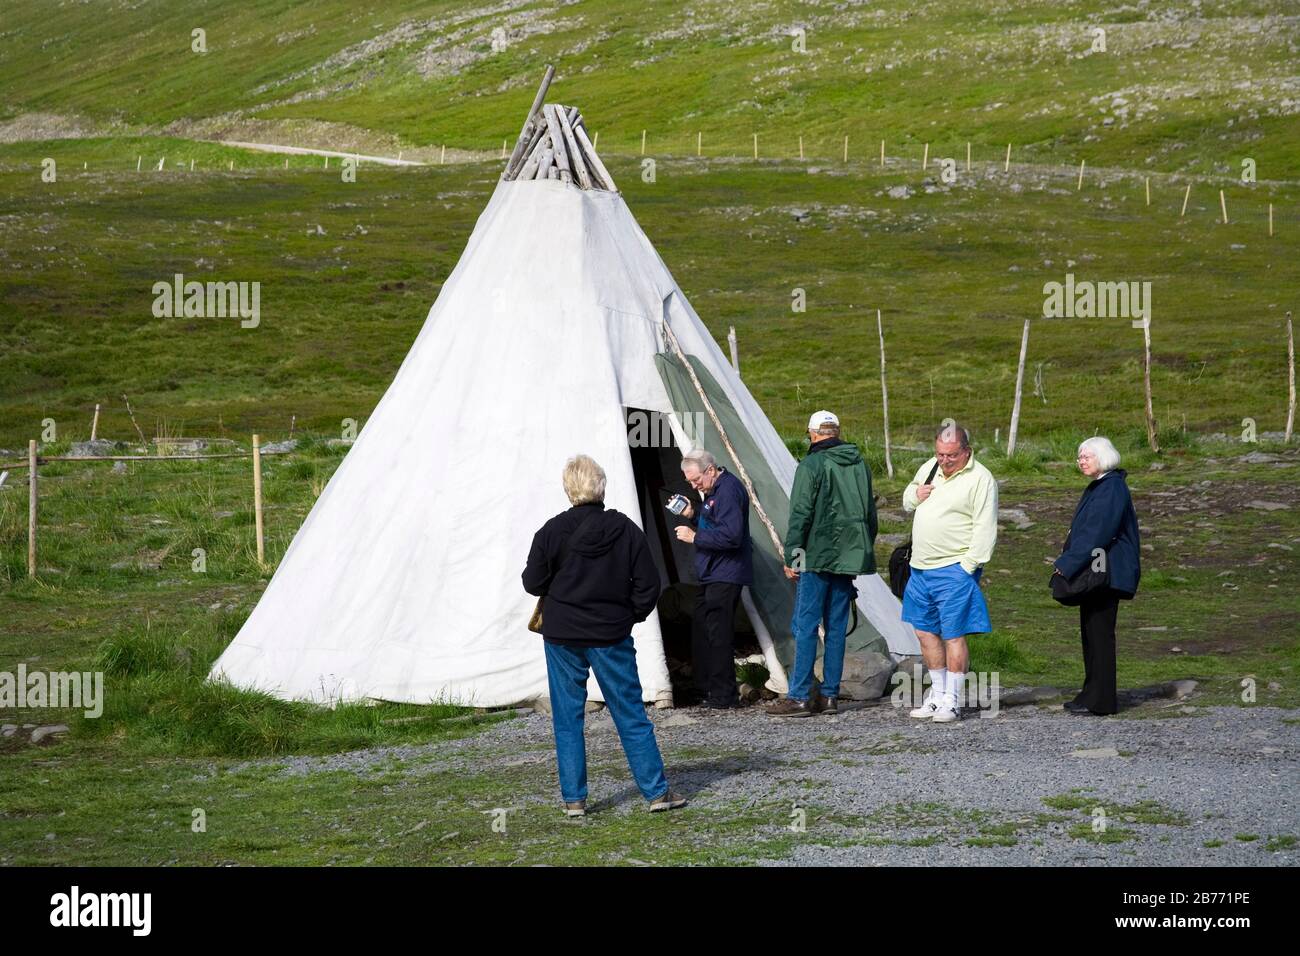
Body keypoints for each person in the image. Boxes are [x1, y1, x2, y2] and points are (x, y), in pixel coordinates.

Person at [522, 454, 686, 817]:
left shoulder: (550, 532)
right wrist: (627, 617)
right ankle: (657, 793)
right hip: (610, 635)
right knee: (629, 714)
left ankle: (574, 800)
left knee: (567, 718)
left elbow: (531, 582)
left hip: (562, 636)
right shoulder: (626, 530)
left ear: (568, 490)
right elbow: (648, 585)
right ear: (602, 487)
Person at [768, 410, 878, 718]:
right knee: (836, 628)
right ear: (837, 432)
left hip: (815, 557)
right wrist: (858, 551)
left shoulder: (812, 464)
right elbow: (870, 514)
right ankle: (830, 696)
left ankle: (800, 696)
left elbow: (801, 513)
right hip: (847, 558)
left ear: (813, 433)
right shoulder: (859, 464)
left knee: (805, 625)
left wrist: (793, 557)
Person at [901, 421, 998, 723]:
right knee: (924, 630)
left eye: (951, 456)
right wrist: (917, 493)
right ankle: (938, 694)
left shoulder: (981, 479)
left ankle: (953, 701)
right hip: (920, 567)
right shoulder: (930, 467)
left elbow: (985, 527)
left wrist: (967, 567)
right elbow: (906, 501)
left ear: (966, 452)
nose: (944, 461)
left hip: (954, 568)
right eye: (940, 454)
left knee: (953, 633)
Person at [1053, 436, 1141, 716]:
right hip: (1100, 572)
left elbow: (1097, 534)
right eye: (1079, 457)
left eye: (1087, 456)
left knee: (1100, 636)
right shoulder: (1101, 486)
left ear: (1103, 457)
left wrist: (1067, 564)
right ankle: (1090, 694)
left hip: (1106, 573)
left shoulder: (1111, 488)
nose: (1081, 461)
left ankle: (1102, 700)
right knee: (1091, 634)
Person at [673, 448, 753, 709]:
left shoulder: (728, 491)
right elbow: (715, 523)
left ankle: (724, 695)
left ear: (710, 470)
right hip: (713, 572)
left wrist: (695, 536)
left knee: (718, 634)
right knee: (704, 626)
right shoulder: (713, 493)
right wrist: (692, 514)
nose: (694, 485)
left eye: (696, 479)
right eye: (689, 482)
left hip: (726, 572)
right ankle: (707, 686)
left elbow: (732, 536)